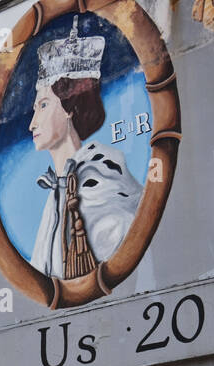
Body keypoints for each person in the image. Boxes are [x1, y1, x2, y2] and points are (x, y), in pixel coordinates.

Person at [28, 28, 143, 280]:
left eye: (43, 106)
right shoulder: (54, 194)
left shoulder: (102, 175)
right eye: (35, 108)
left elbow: (125, 231)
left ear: (70, 107)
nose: (32, 123)